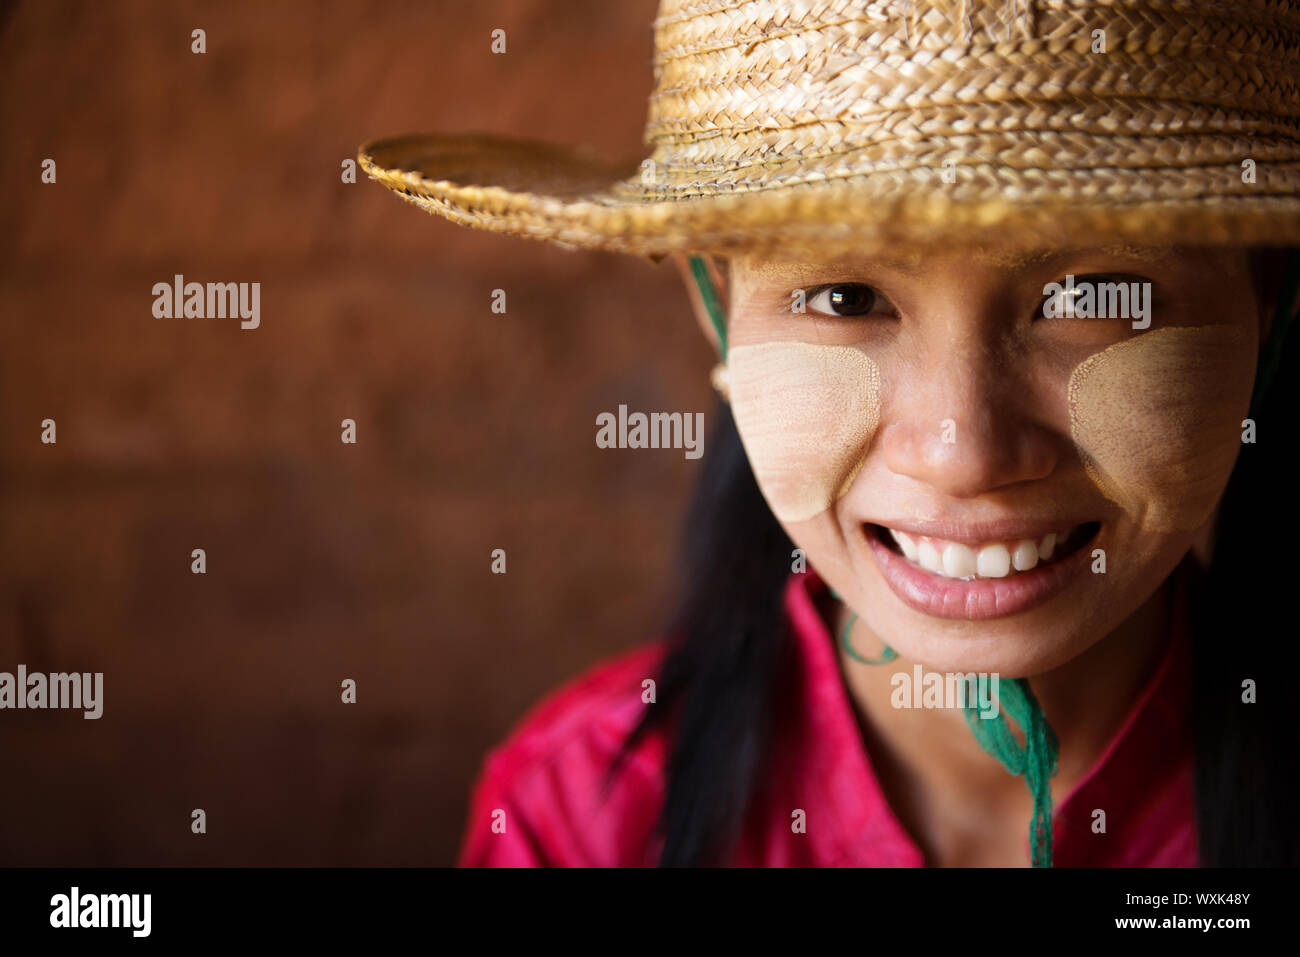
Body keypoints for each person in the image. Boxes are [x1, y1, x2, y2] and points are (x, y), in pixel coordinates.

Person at [359, 0, 1300, 866]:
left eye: (1093, 296)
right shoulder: (579, 820)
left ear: (1273, 306)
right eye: (847, 297)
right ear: (716, 313)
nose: (965, 452)